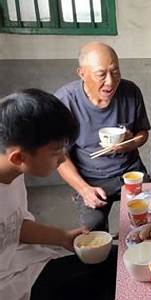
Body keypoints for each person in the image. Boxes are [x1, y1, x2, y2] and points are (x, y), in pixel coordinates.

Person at [0, 89, 117, 300]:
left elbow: (14, 225)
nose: (63, 159)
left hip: (27, 265)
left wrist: (62, 238)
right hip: (9, 288)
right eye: (56, 152)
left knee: (115, 262)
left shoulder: (14, 171)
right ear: (18, 157)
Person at [55, 42, 150, 231]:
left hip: (130, 171)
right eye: (101, 74)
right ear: (82, 73)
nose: (110, 81)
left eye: (115, 72)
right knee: (93, 233)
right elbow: (58, 156)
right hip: (91, 179)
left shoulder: (131, 91)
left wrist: (130, 144)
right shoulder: (65, 101)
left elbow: (143, 134)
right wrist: (83, 189)